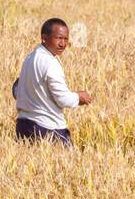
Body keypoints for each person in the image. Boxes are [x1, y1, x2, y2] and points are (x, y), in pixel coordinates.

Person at [13, 18, 91, 147]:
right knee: (67, 165)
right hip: (48, 129)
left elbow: (16, 91)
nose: (63, 44)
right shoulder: (50, 63)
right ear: (44, 38)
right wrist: (79, 97)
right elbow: (63, 99)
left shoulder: (30, 58)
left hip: (23, 126)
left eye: (66, 39)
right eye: (59, 38)